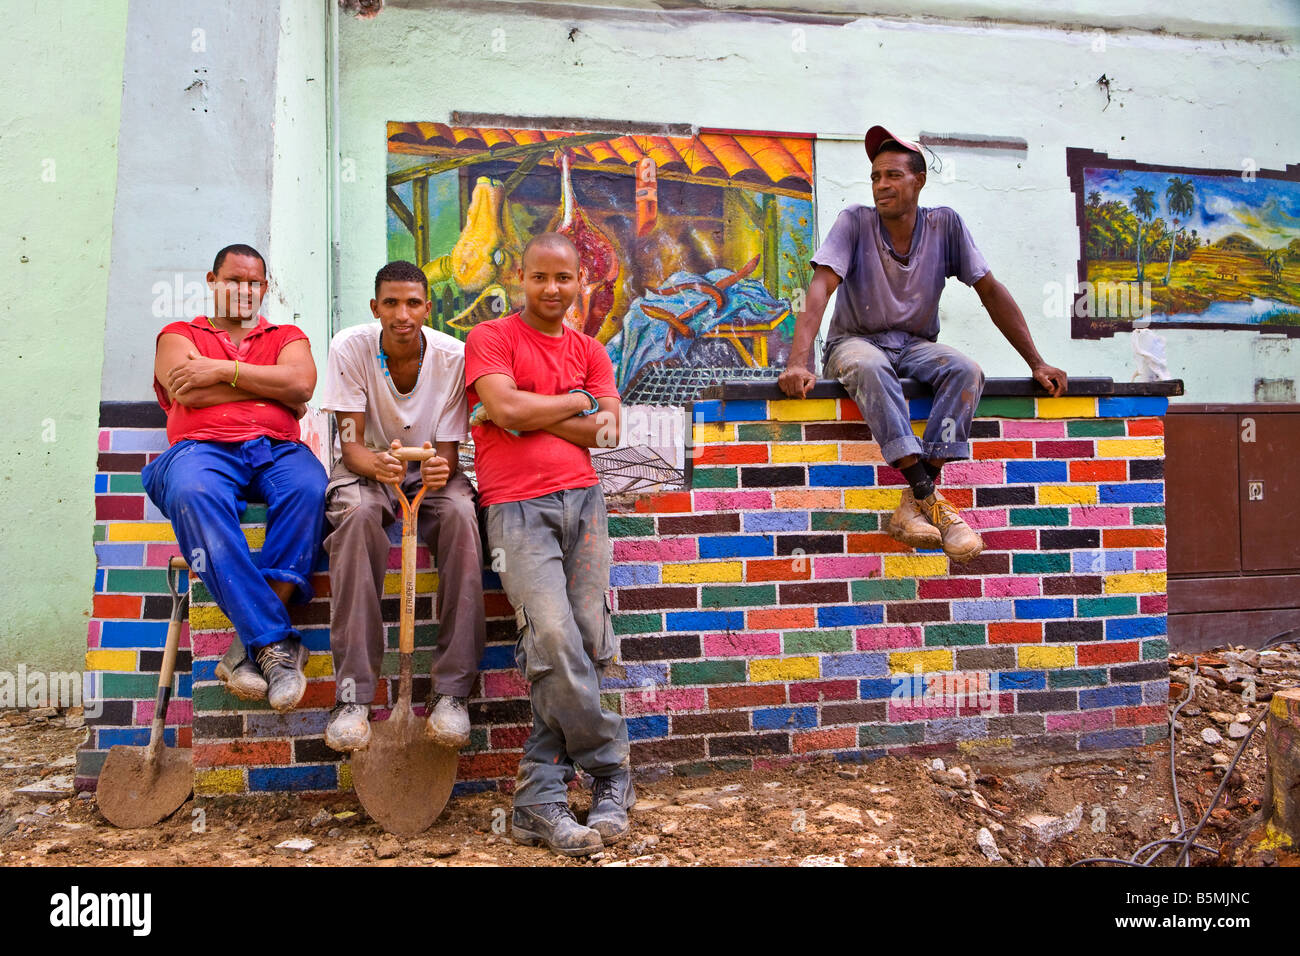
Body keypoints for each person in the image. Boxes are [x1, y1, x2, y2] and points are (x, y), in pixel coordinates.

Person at [779, 125, 1069, 562]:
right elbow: (819, 288)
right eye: (876, 176)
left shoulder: (945, 224)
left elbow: (990, 291)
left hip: (914, 345)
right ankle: (934, 502)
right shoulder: (854, 222)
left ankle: (913, 505)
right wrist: (799, 362)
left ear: (919, 180)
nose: (881, 186)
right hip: (854, 342)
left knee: (966, 370)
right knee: (870, 366)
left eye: (893, 175)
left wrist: (1037, 362)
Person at [465, 232, 631, 858]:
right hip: (514, 508)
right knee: (553, 638)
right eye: (540, 277)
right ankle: (611, 768)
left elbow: (609, 431)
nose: (553, 289)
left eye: (564, 278)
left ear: (580, 281)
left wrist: (525, 413)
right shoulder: (493, 339)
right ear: (521, 277)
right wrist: (576, 405)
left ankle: (539, 798)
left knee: (584, 639)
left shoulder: (591, 348)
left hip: (585, 503)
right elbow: (500, 403)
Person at [142, 243, 326, 712]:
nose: (244, 290)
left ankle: (249, 649)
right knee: (192, 491)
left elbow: (301, 386)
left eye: (254, 282)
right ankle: (276, 646)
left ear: (264, 288)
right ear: (212, 281)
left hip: (278, 450)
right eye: (233, 280)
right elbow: (189, 392)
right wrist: (270, 391)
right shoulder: (178, 334)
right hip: (201, 451)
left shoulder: (287, 336)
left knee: (309, 487)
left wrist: (223, 370)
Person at [318, 261, 485, 753]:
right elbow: (349, 446)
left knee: (460, 517)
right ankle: (354, 697)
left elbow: (451, 452)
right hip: (367, 467)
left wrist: (439, 470)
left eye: (413, 303)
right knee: (356, 517)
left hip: (429, 468)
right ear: (376, 308)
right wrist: (377, 466)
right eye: (391, 303)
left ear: (427, 308)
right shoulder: (350, 347)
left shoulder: (453, 356)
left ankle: (452, 694)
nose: (402, 314)